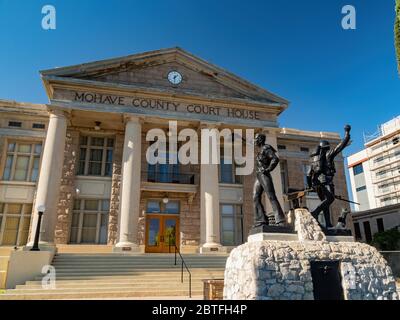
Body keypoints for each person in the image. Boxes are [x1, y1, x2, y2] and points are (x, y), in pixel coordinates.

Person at [307, 125, 351, 228]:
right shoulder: (328, 155)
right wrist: (347, 134)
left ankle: (328, 224)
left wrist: (310, 187)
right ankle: (315, 212)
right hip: (326, 182)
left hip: (317, 184)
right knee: (330, 199)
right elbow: (340, 147)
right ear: (327, 148)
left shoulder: (314, 159)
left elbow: (309, 174)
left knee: (325, 204)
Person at [253, 133, 286, 227]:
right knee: (255, 197)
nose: (255, 141)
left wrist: (268, 169)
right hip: (259, 176)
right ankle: (261, 220)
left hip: (264, 174)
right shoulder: (260, 150)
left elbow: (275, 159)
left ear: (260, 140)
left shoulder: (266, 148)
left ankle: (280, 220)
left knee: (271, 196)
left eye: (256, 139)